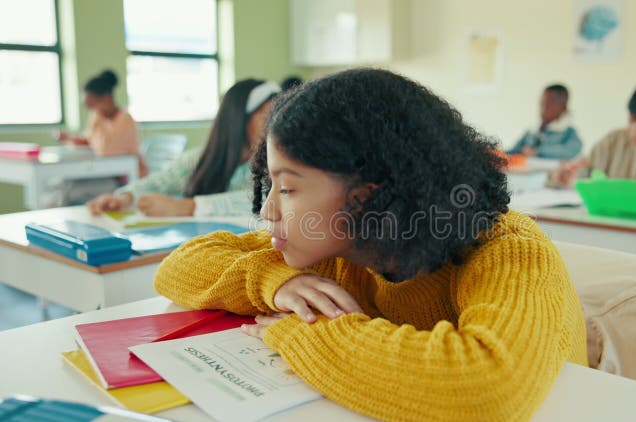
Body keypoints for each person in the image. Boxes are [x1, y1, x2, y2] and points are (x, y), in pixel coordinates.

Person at [154, 68, 587, 420]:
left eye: (286, 189)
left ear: (367, 197)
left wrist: (303, 333)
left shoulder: (508, 249)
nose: (267, 211)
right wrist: (275, 281)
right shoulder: (341, 247)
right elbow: (179, 266)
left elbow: (486, 387)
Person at [86, 79, 280, 217]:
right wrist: (124, 197)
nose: (277, 122)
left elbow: (265, 200)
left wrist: (186, 207)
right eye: (267, 113)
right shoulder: (200, 159)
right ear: (239, 119)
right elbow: (161, 182)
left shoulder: (276, 164)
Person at [58, 69, 147, 177]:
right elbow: (89, 140)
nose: (91, 110)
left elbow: (106, 151)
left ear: (106, 98)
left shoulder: (125, 120)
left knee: (71, 190)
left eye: (92, 104)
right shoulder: (96, 115)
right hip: (105, 172)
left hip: (126, 176)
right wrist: (68, 138)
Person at [506, 84, 582, 159]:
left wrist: (537, 152)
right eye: (542, 104)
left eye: (549, 105)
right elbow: (513, 151)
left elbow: (570, 151)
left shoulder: (568, 133)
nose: (543, 110)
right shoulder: (532, 132)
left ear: (563, 108)